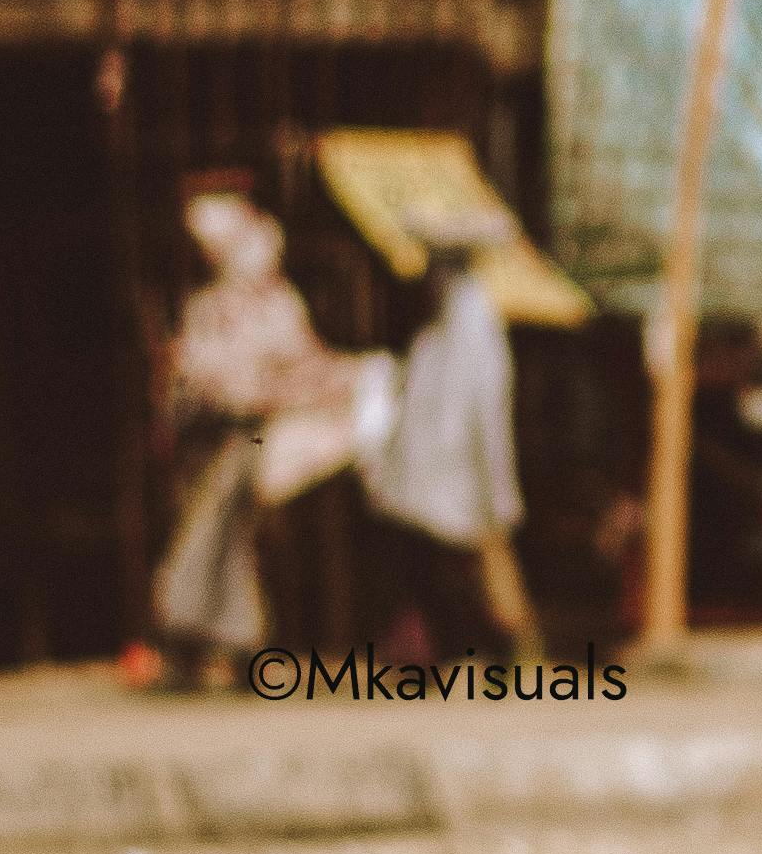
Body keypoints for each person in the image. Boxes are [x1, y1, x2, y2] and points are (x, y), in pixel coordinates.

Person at [146, 185, 365, 685]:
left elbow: (301, 366)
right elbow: (197, 376)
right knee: (217, 536)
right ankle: (215, 643)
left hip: (258, 437)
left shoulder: (276, 305)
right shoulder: (210, 307)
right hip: (210, 436)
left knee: (225, 535)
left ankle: (223, 643)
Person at [369, 235, 538, 660]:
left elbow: (488, 418)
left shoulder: (477, 330)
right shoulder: (432, 336)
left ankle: (513, 654)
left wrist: (496, 488)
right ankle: (452, 655)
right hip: (432, 484)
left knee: (483, 571)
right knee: (437, 573)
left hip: (468, 483)